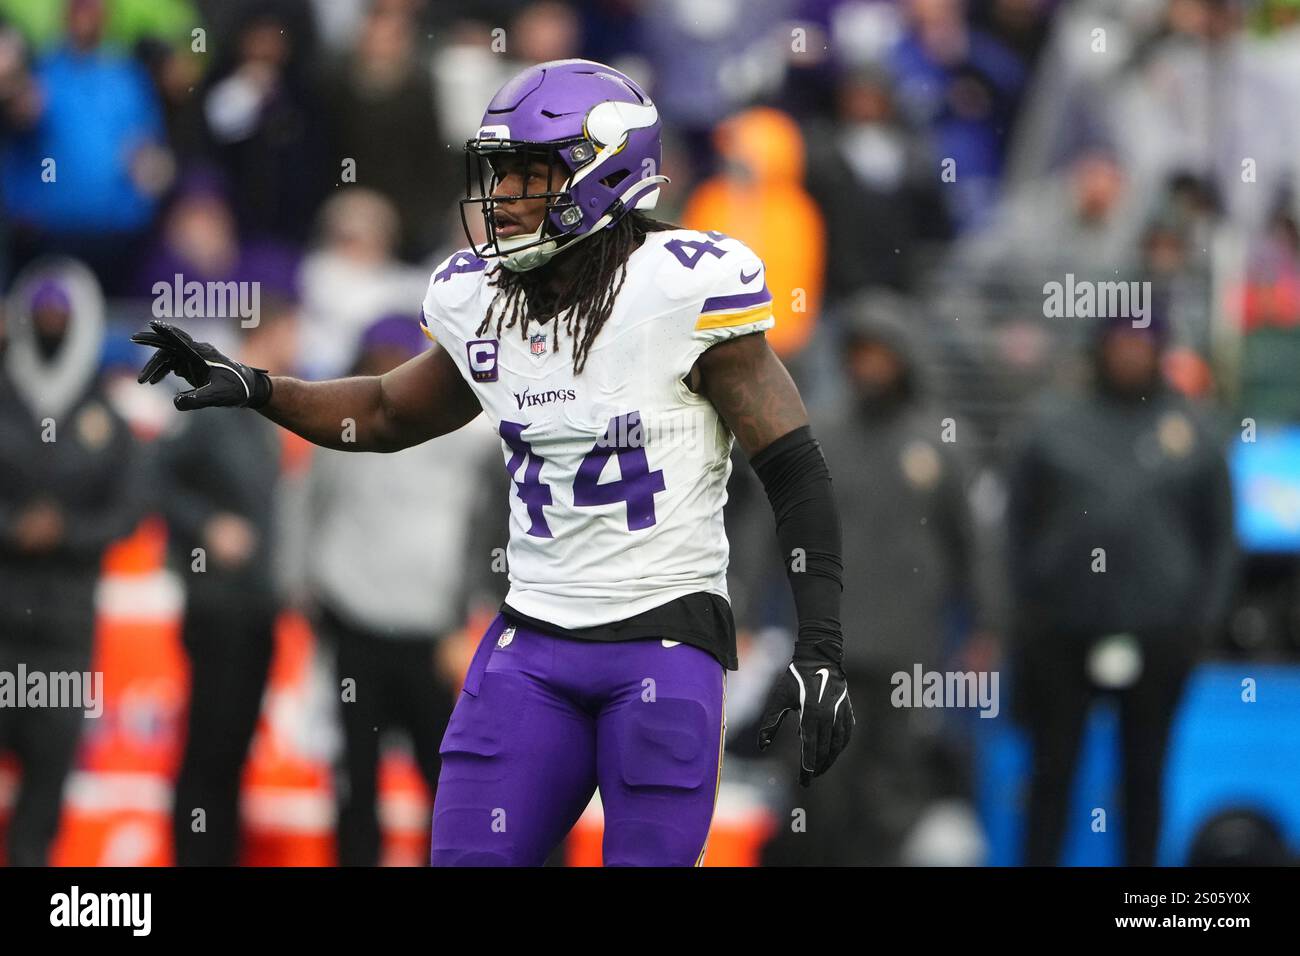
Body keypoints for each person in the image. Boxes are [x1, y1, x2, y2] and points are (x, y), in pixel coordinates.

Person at [132, 59, 854, 867]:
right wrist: (259, 387)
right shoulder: (486, 299)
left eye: (530, 172)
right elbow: (383, 411)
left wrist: (820, 646)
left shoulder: (684, 290)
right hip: (531, 645)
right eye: (499, 170)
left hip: (662, 644)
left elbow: (795, 472)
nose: (503, 194)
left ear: (605, 173)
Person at [1006, 310, 1238, 866]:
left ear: (1161, 348)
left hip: (1160, 634)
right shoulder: (1050, 424)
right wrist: (1022, 616)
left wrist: (1198, 626)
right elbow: (1015, 528)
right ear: (1099, 346)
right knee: (1052, 774)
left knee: (1145, 775)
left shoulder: (1196, 430)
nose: (1130, 352)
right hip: (1061, 632)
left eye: (1143, 341)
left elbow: (1222, 539)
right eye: (1120, 340)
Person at [303, 314, 496, 866]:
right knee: (356, 779)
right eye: (375, 363)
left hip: (430, 634)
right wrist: (307, 590)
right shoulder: (341, 432)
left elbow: (488, 520)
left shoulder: (464, 438)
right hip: (356, 623)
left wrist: (467, 608)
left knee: (443, 778)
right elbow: (307, 508)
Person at [0, 261, 144, 865]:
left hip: (64, 625)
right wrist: (12, 529)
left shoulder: (106, 414)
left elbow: (130, 511)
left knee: (48, 774)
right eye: (44, 313)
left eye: (64, 315)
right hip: (1, 612)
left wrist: (66, 532)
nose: (53, 324)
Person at [153, 299, 298, 866]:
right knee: (210, 746)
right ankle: (196, 856)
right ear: (272, 328)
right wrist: (206, 525)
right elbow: (155, 476)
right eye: (293, 325)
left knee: (235, 746)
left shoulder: (266, 400)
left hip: (258, 604)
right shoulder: (216, 400)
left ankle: (219, 855)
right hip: (218, 605)